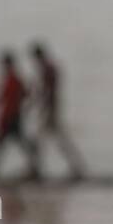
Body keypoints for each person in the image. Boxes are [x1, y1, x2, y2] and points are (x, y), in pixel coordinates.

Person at [29, 42, 86, 180]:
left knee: (44, 139)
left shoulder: (47, 68)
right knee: (56, 139)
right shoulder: (49, 67)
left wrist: (43, 108)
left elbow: (48, 91)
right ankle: (76, 168)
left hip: (50, 110)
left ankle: (36, 170)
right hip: (51, 108)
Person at [0, 51, 39, 180]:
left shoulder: (13, 80)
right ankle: (34, 167)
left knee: (0, 145)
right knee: (13, 144)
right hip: (13, 117)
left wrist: (6, 114)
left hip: (11, 118)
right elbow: (23, 95)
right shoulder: (13, 79)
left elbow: (17, 97)